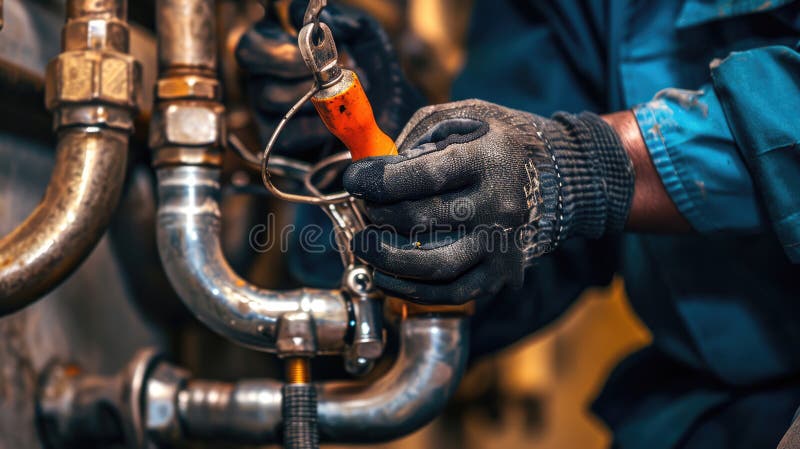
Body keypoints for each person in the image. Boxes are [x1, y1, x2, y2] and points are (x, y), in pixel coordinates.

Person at [237, 1, 800, 448]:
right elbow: (523, 242)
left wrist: (597, 163)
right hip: (719, 416)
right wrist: (413, 179)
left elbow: (565, 169)